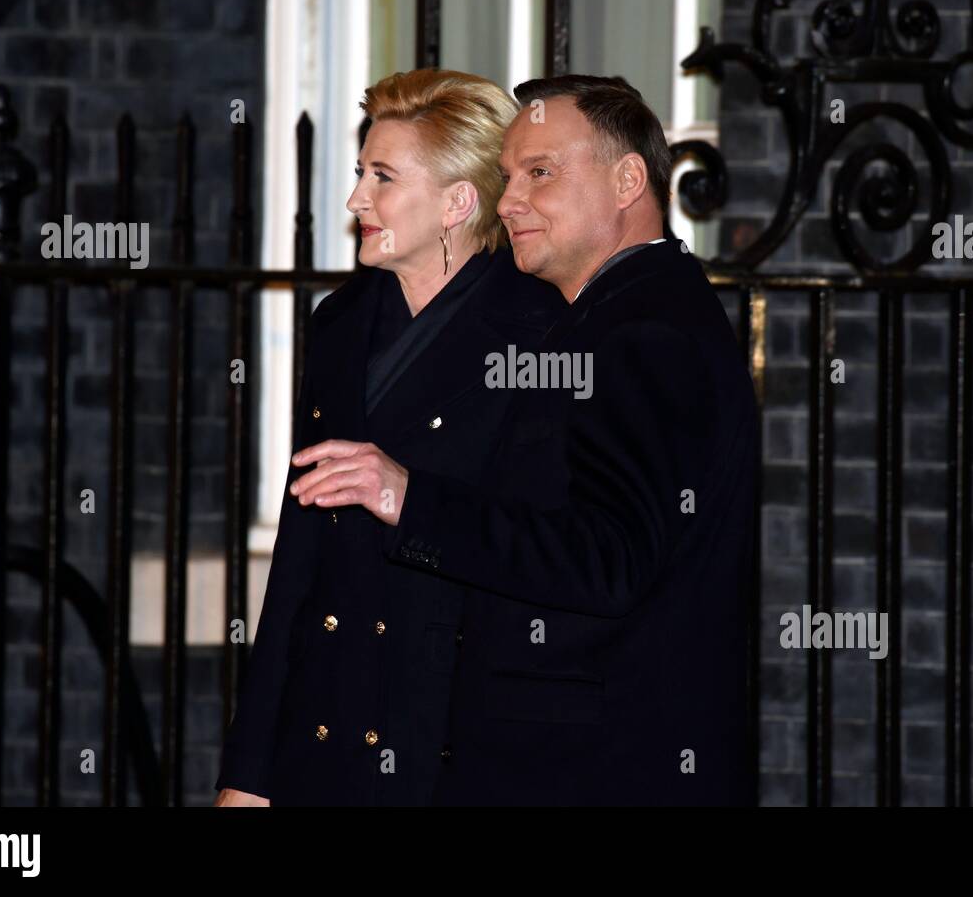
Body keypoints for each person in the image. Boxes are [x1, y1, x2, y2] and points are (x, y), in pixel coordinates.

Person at [293, 75, 759, 805]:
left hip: (601, 772)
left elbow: (609, 559)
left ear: (627, 179)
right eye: (509, 176)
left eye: (540, 172)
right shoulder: (606, 318)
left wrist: (410, 499)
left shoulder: (646, 333)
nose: (509, 200)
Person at [214, 69, 564, 805]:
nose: (355, 201)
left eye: (382, 177)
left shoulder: (541, 332)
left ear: (457, 203)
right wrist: (247, 775)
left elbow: (547, 551)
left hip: (452, 737)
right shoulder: (340, 326)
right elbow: (297, 560)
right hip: (327, 729)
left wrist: (408, 494)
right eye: (358, 173)